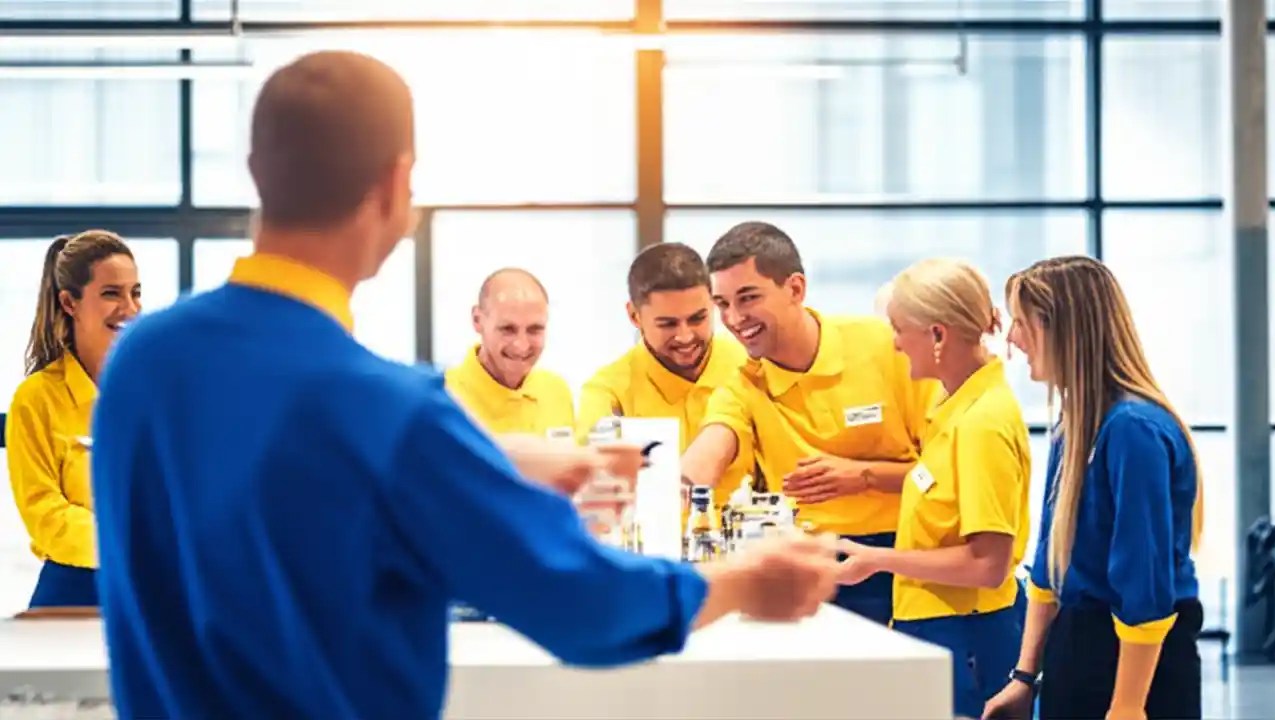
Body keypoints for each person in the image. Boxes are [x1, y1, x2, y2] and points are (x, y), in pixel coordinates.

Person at [90, 51, 846, 719]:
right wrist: (746, 581)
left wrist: (493, 459)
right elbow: (586, 606)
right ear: (396, 187)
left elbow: (285, 490)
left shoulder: (144, 361)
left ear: (258, 173)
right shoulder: (389, 412)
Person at [679, 221, 941, 625]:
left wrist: (864, 476)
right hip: (808, 568)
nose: (734, 318)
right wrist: (680, 482)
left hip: (907, 561)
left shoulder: (887, 347)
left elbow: (946, 477)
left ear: (796, 289)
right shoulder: (745, 382)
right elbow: (711, 447)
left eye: (748, 298)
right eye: (722, 304)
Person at [981, 256, 1204, 720]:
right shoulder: (1074, 425)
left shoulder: (1133, 430)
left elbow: (1143, 582)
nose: (1012, 339)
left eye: (1021, 324)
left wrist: (1127, 705)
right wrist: (1024, 677)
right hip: (1078, 645)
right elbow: (1051, 560)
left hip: (1134, 663)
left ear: (1062, 329)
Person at [838, 258, 1030, 719]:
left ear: (938, 335)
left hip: (969, 636)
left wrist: (877, 560)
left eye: (899, 329)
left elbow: (988, 564)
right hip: (939, 629)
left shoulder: (982, 423)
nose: (895, 343)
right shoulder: (953, 410)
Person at [5, 230, 141, 609]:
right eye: (111, 293)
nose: (129, 308)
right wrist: (130, 542)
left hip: (148, 586)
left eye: (135, 292)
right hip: (73, 592)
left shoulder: (150, 390)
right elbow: (45, 515)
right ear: (69, 302)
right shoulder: (37, 400)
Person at [577, 242, 751, 505]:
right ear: (635, 316)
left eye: (697, 319)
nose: (685, 336)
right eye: (668, 324)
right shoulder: (608, 391)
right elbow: (591, 482)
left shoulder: (749, 367)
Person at [445, 267, 575, 437]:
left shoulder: (556, 390)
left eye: (535, 329)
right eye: (507, 329)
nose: (521, 345)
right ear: (477, 320)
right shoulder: (444, 398)